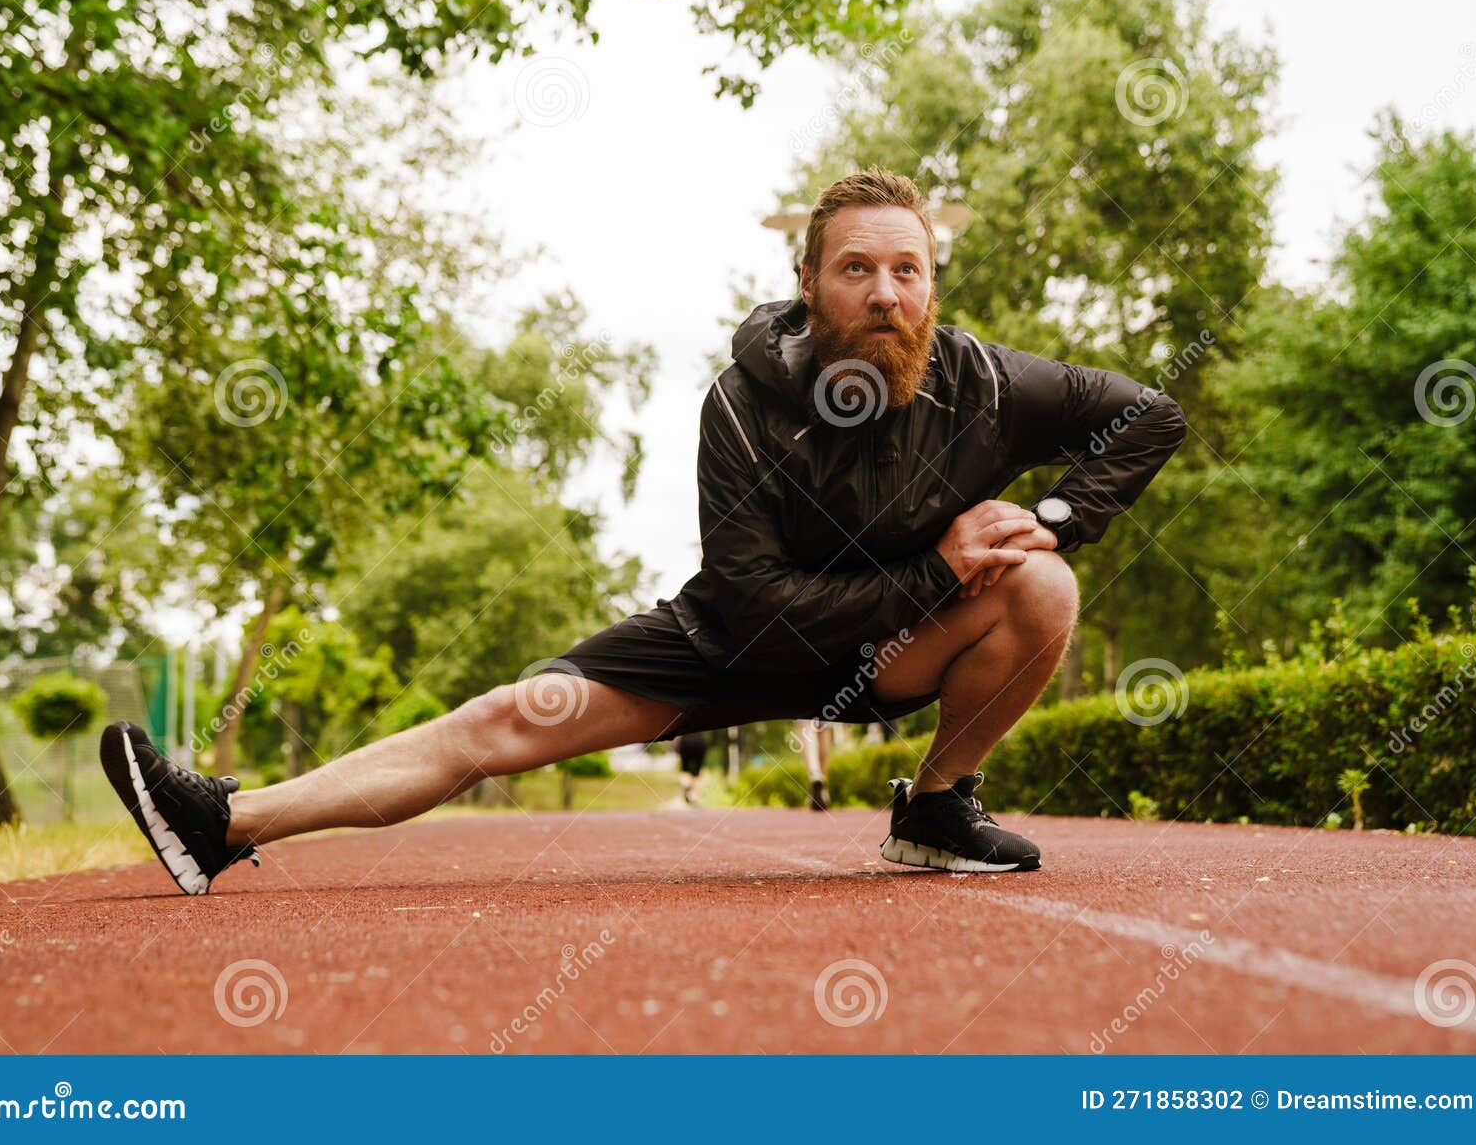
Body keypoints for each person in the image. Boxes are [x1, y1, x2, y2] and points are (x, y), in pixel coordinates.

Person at [98, 166, 1186, 895]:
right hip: (731, 641)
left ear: (934, 285)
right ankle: (222, 823)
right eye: (856, 268)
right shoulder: (741, 403)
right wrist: (937, 567)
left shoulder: (986, 384)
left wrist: (1053, 517)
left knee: (1044, 587)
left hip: (894, 651)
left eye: (908, 270)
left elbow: (1151, 412)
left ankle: (936, 810)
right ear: (807, 283)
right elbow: (757, 602)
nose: (885, 292)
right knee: (500, 722)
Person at [674, 730, 709, 806]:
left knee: (685, 768)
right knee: (698, 771)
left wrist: (676, 747)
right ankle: (694, 795)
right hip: (700, 741)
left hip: (685, 741)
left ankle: (686, 788)